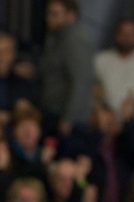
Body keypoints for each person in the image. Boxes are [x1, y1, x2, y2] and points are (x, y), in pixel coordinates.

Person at [40, 0, 95, 137]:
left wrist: (68, 119)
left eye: (55, 14)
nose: (49, 18)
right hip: (52, 112)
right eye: (48, 13)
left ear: (71, 15)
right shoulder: (56, 38)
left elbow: (80, 82)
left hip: (65, 118)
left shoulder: (76, 41)